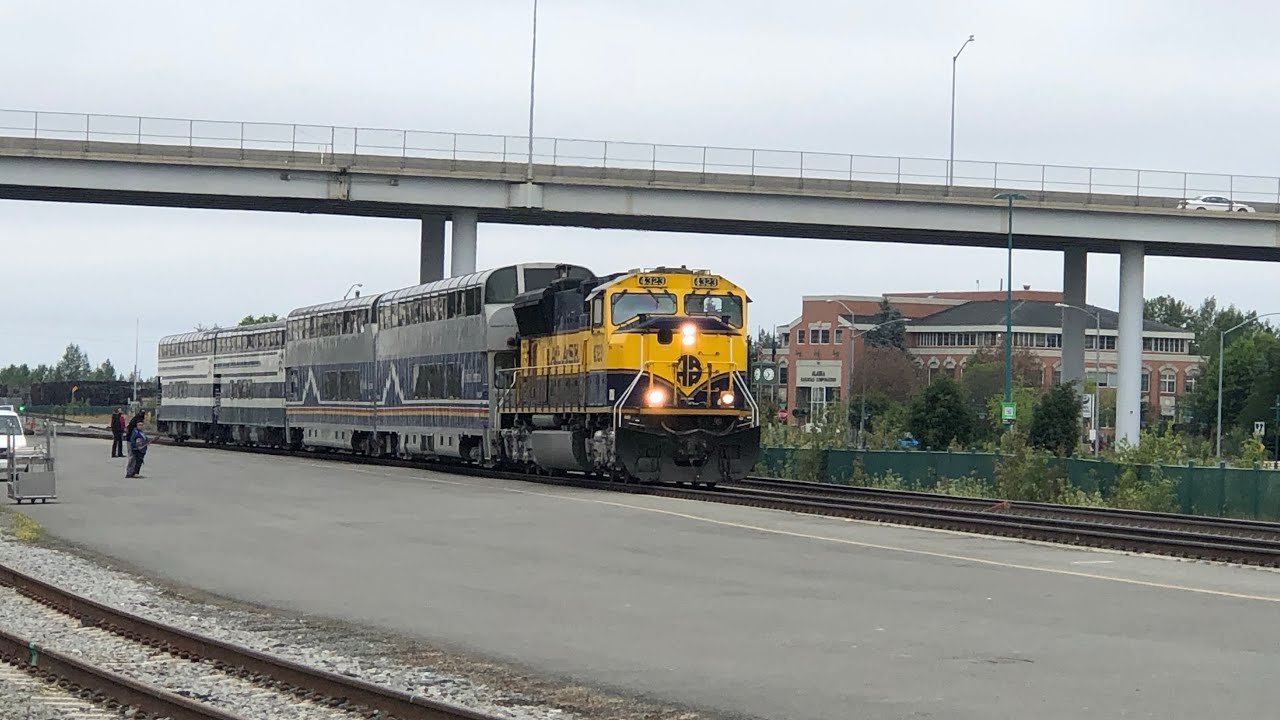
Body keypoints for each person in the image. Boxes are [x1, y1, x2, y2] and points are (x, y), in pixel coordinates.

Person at [125, 412, 149, 479]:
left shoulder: (133, 423)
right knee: (132, 457)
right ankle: (130, 473)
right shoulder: (135, 430)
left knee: (133, 457)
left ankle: (133, 472)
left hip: (131, 441)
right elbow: (133, 437)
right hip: (132, 442)